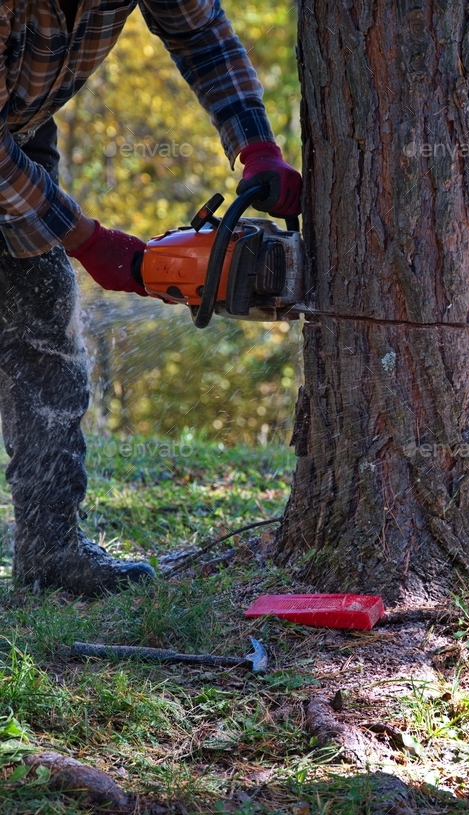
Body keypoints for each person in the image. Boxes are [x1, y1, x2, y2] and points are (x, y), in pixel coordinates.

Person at [0, 0, 302, 595]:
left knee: (45, 327)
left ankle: (50, 552)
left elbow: (202, 35)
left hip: (20, 132)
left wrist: (257, 146)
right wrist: (89, 240)